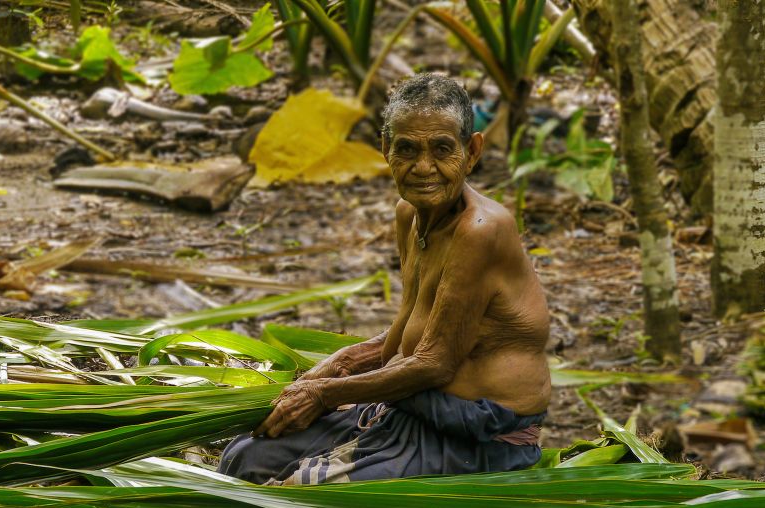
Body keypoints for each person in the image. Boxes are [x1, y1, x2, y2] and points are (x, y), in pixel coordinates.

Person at [218, 73, 552, 485]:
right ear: (385, 150)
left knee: (303, 496)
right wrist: (336, 366)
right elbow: (413, 329)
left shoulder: (481, 230)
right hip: (409, 406)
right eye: (407, 149)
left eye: (442, 149)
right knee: (244, 457)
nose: (424, 167)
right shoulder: (410, 215)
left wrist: (324, 393)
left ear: (472, 152)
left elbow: (433, 364)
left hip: (473, 437)